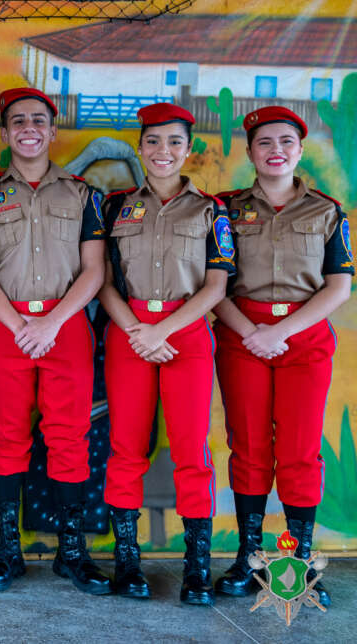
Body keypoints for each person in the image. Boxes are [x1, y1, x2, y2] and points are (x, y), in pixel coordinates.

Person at [0, 87, 109, 595]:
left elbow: (94, 272)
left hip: (66, 326)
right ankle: (7, 552)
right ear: (5, 134)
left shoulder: (84, 195)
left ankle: (73, 553)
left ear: (52, 131)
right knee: (6, 436)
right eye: (18, 121)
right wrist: (19, 323)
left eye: (38, 120)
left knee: (69, 436)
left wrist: (51, 323)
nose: (28, 128)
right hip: (5, 327)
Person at [212, 106, 352, 608]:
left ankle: (297, 561)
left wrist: (282, 331)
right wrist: (252, 332)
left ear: (299, 149)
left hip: (305, 339)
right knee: (248, 445)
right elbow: (212, 284)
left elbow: (339, 287)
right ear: (250, 151)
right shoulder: (223, 209)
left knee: (298, 450)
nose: (276, 150)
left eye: (286, 142)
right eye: (265, 142)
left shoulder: (326, 211)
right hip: (242, 337)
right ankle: (248, 557)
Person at [98, 103, 234, 605]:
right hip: (128, 333)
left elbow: (216, 285)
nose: (163, 151)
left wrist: (164, 331)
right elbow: (104, 283)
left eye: (174, 142)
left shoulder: (211, 211)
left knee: (190, 450)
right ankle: (127, 561)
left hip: (187, 335)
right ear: (140, 147)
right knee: (126, 448)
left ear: (189, 149)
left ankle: (196, 566)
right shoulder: (113, 207)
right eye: (153, 141)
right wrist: (137, 330)